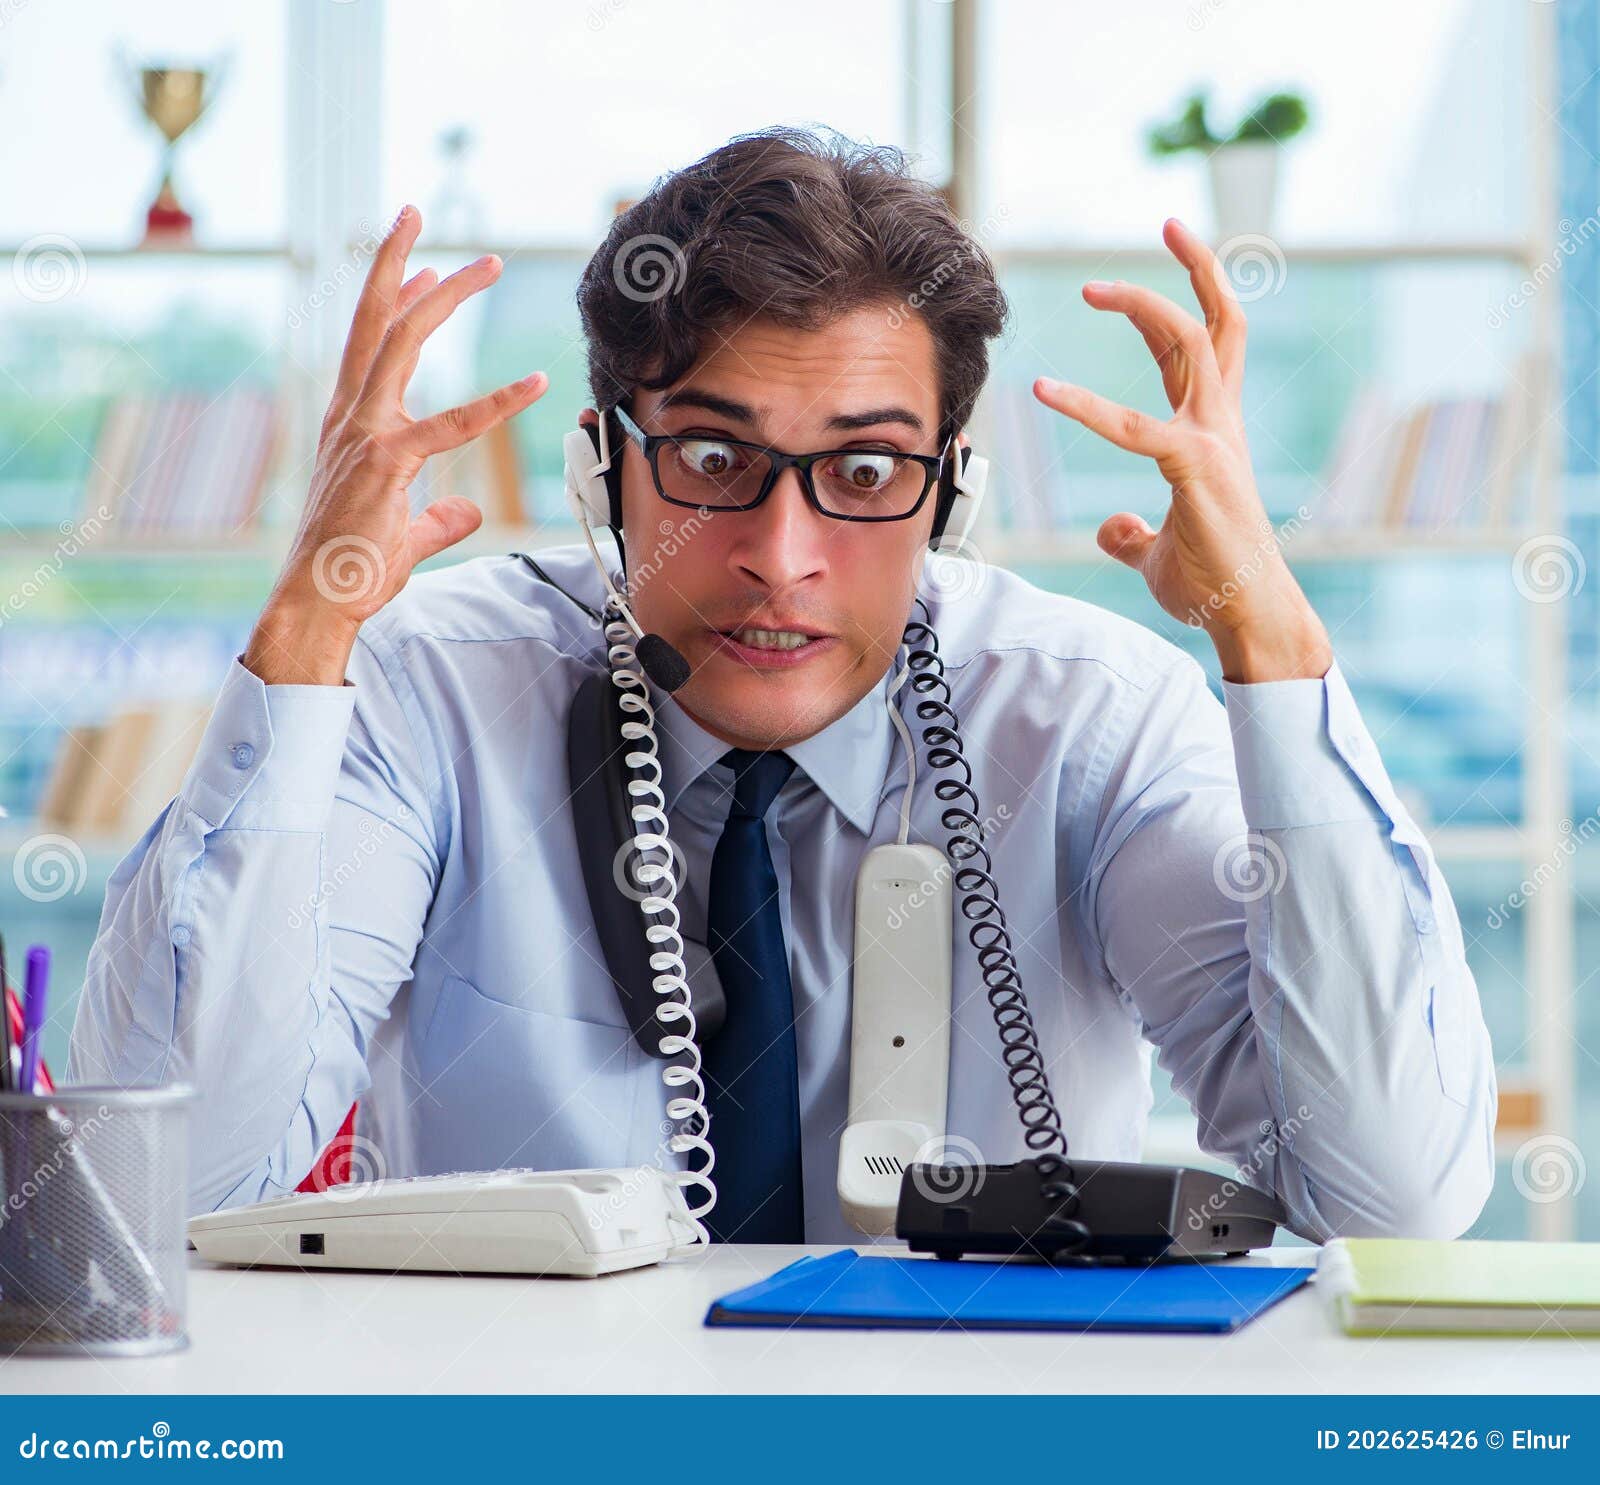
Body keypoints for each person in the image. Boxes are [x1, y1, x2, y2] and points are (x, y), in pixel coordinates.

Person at [70, 128, 1495, 1243]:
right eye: (710, 458)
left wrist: (1272, 645)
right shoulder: (427, 694)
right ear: (601, 469)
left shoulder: (1090, 715)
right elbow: (168, 1191)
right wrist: (304, 633)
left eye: (867, 470)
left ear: (951, 496)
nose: (781, 553)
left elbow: (1392, 1201)